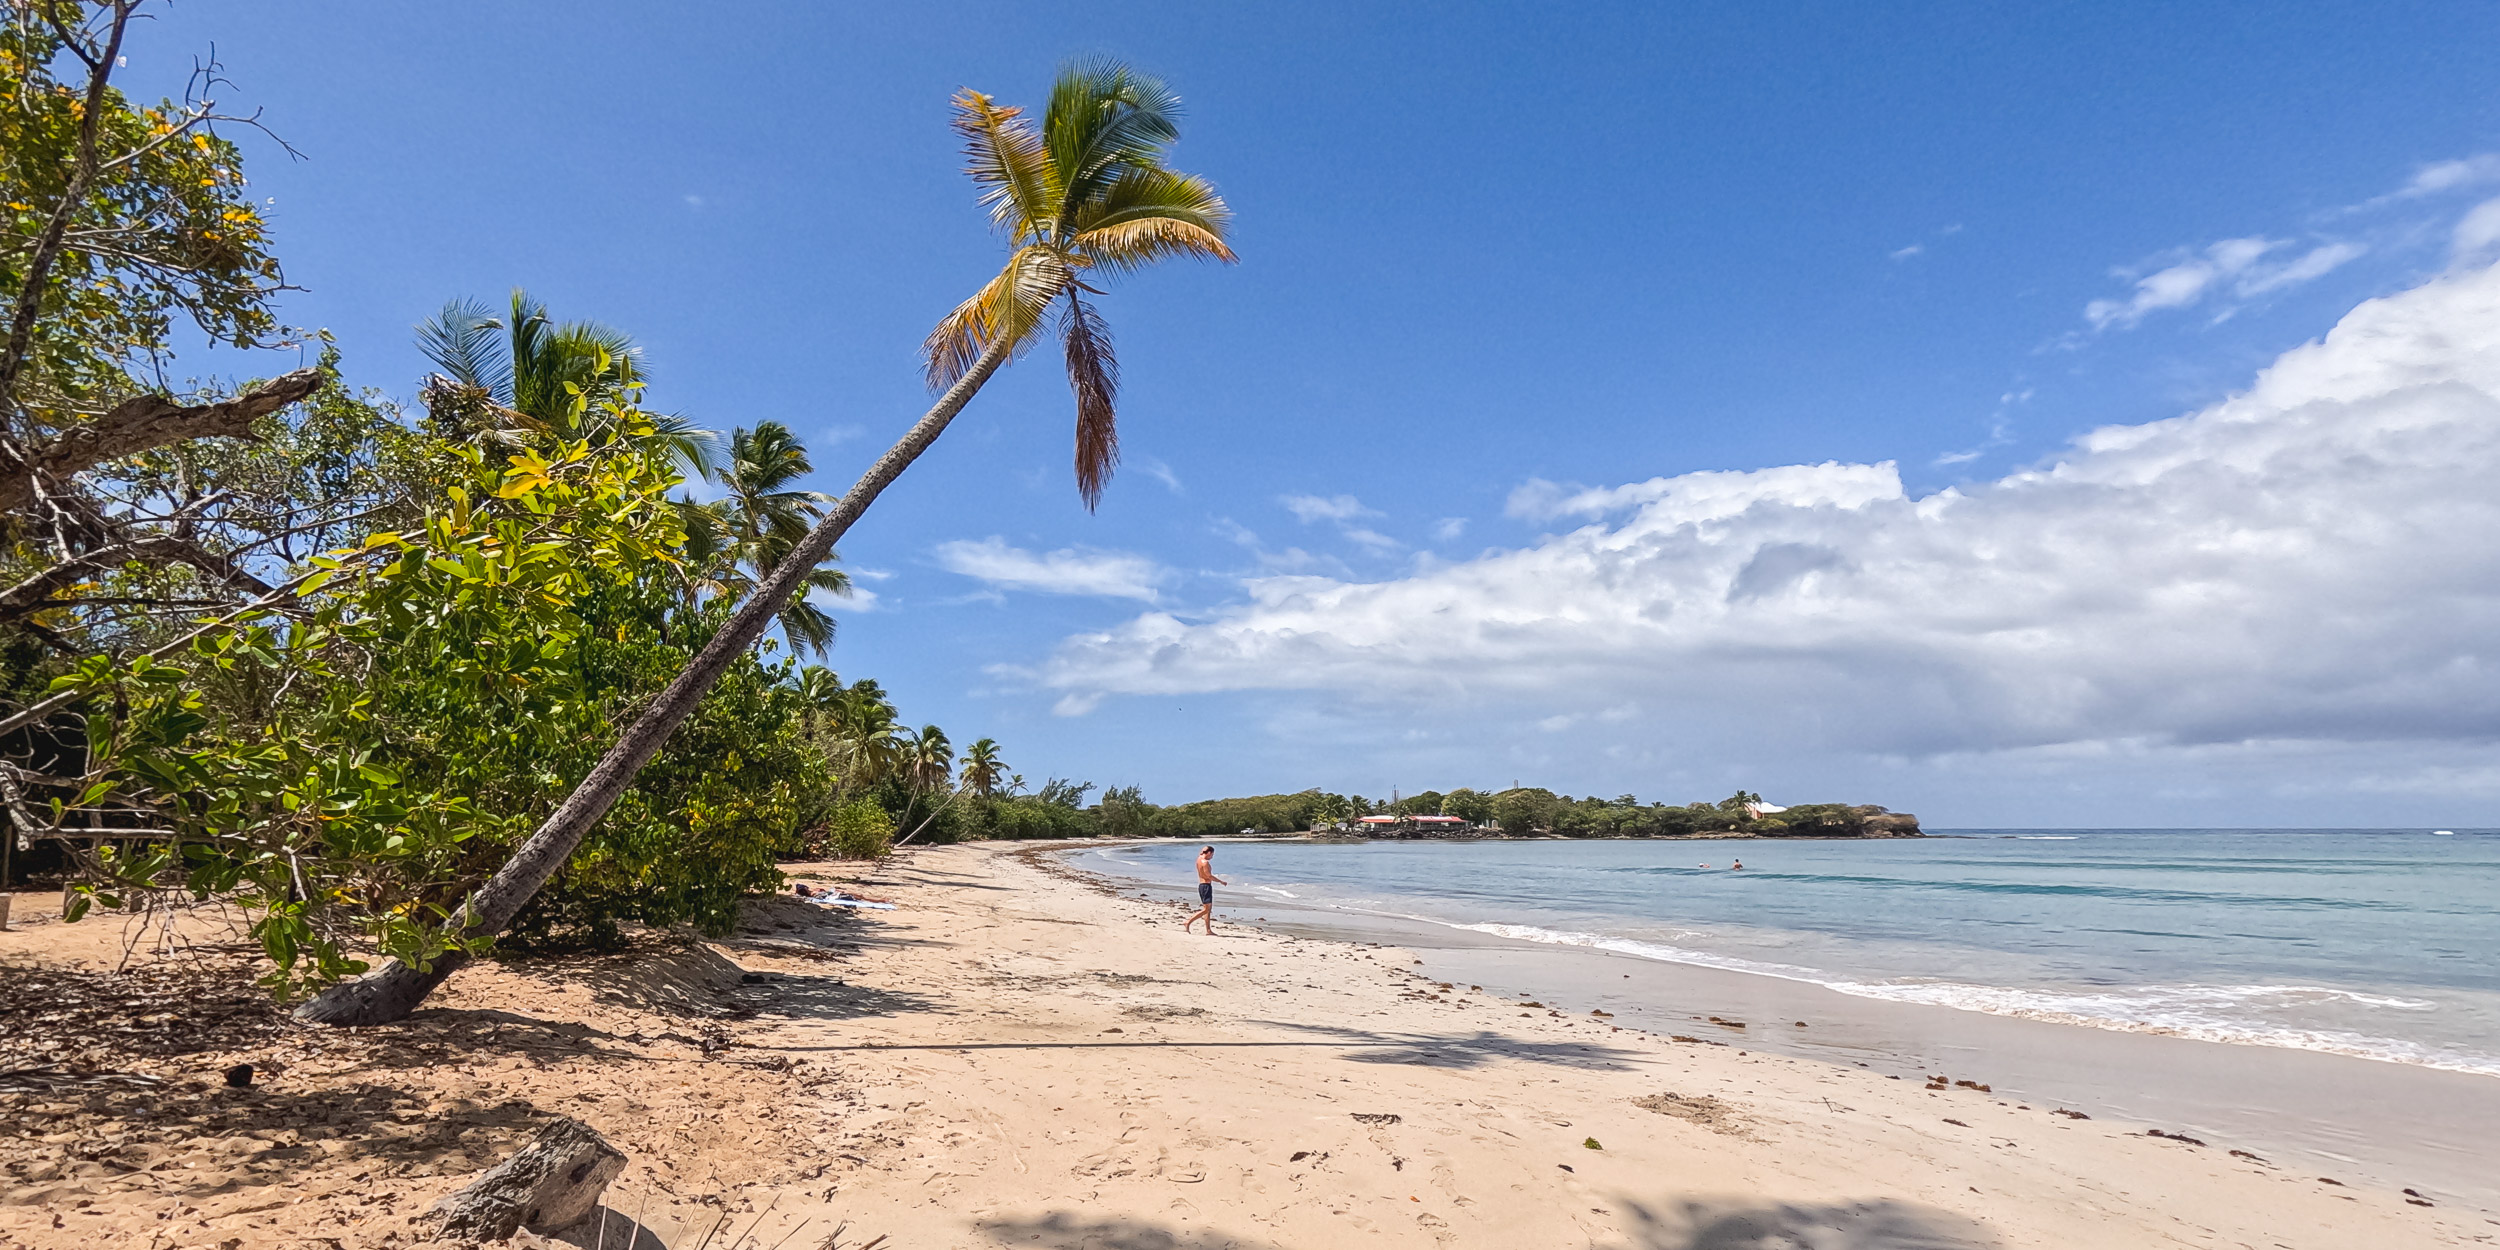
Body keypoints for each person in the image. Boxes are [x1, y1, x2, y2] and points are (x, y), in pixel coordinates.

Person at [1184, 845, 1227, 935]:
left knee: (1207, 909)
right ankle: (1188, 922)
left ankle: (1208, 930)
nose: (1212, 857)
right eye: (1212, 855)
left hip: (1202, 885)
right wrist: (1221, 881)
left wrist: (1204, 850)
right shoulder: (1205, 862)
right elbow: (1209, 876)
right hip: (1205, 886)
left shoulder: (1199, 859)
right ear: (1209, 853)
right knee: (1206, 910)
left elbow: (1203, 851)